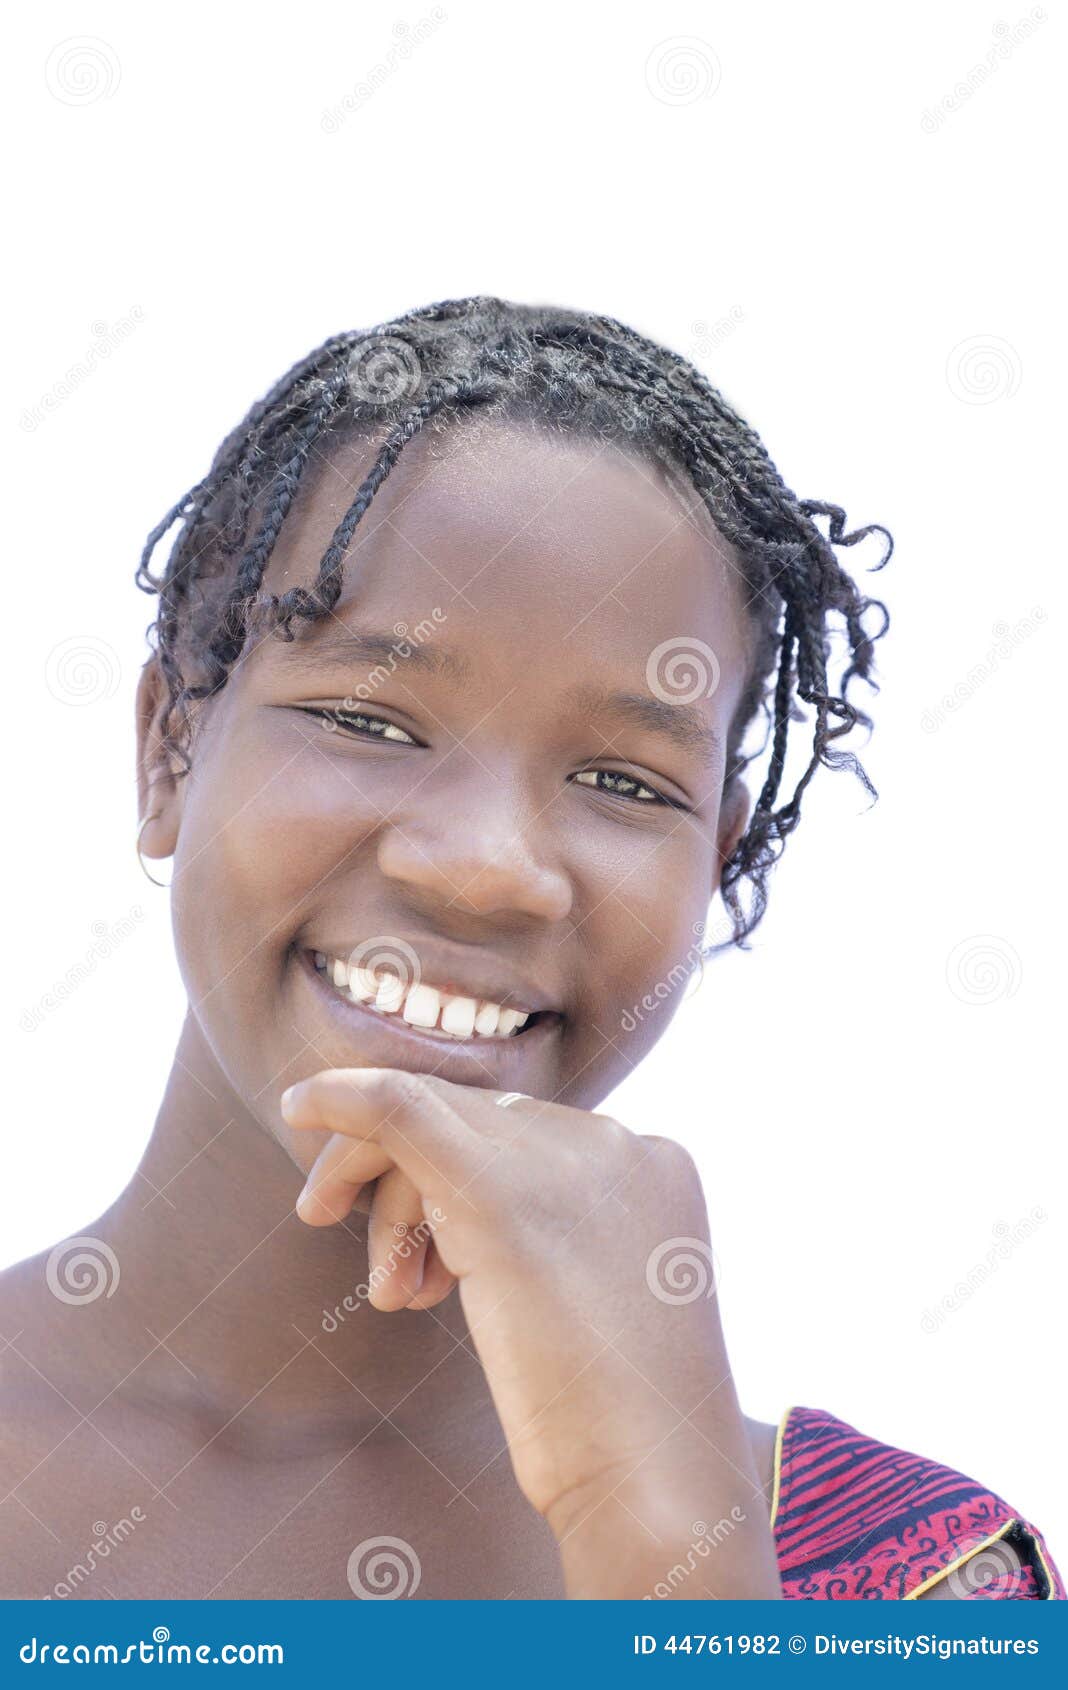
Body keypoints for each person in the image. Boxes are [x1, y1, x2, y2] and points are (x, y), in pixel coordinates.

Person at [1, 298, 1059, 1601]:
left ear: (716, 858)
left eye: (624, 779)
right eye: (369, 719)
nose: (489, 864)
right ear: (171, 751)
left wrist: (672, 1545)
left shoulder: (916, 1579)